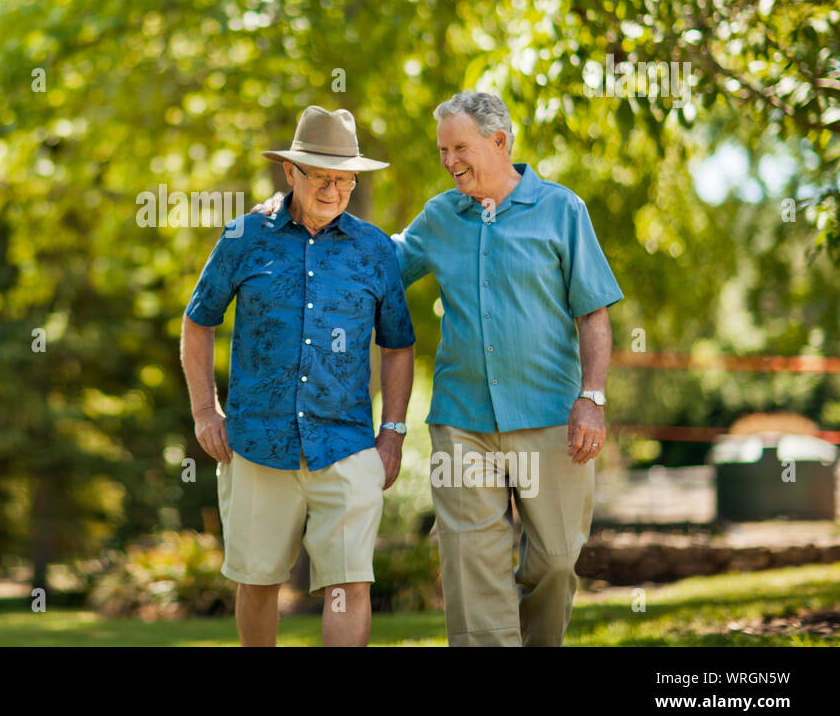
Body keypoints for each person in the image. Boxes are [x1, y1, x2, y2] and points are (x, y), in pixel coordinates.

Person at [391, 90, 623, 646]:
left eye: (459, 147)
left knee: (557, 562)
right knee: (474, 572)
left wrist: (592, 397)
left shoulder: (562, 210)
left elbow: (593, 314)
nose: (449, 162)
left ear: (499, 141)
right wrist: (312, 221)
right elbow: (382, 266)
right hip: (463, 422)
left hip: (552, 420)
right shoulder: (440, 216)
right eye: (443, 150)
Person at [180, 106, 416, 647]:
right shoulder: (244, 236)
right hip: (259, 441)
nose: (334, 190)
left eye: (345, 179)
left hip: (348, 444)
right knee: (258, 581)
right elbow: (198, 323)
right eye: (321, 176)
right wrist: (204, 411)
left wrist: (393, 433)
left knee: (348, 583)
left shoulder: (376, 249)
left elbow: (398, 345)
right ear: (291, 172)